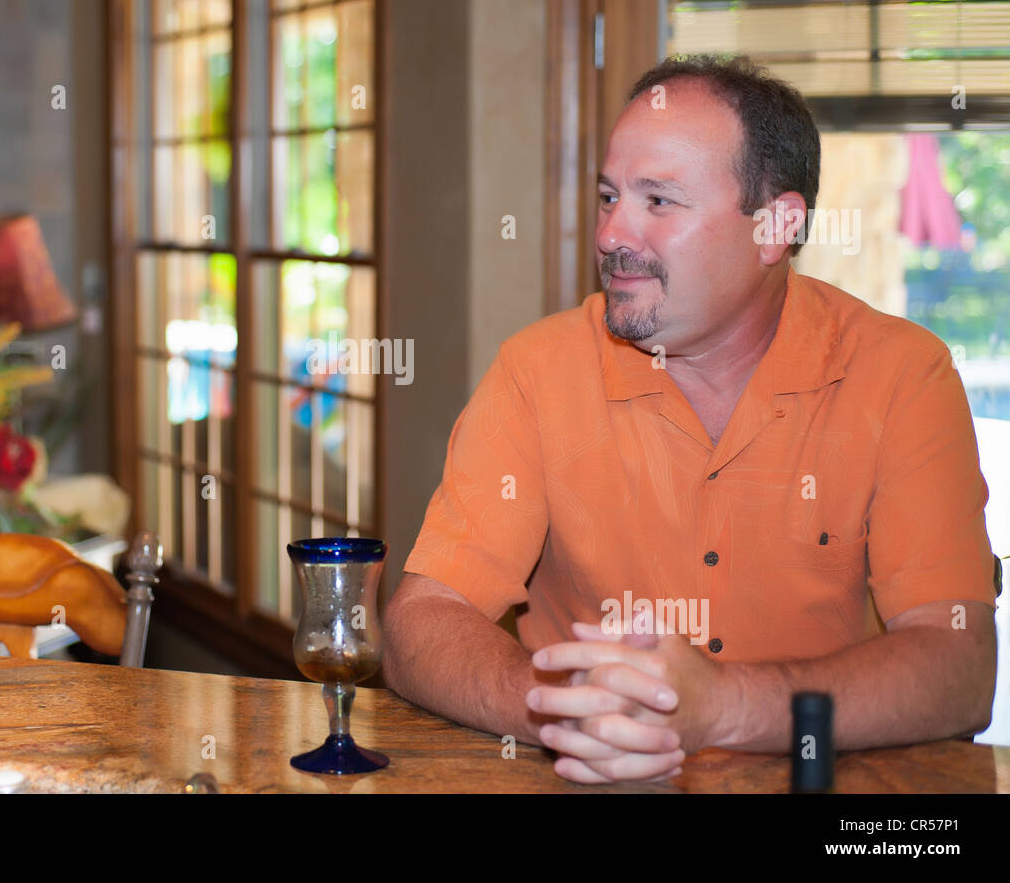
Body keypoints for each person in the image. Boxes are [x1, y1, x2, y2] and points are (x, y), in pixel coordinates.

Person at [381, 55, 1000, 785]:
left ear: (776, 226)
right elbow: (421, 621)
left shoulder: (902, 377)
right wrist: (569, 710)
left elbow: (958, 666)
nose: (613, 233)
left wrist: (723, 707)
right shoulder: (539, 371)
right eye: (609, 196)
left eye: (659, 201)